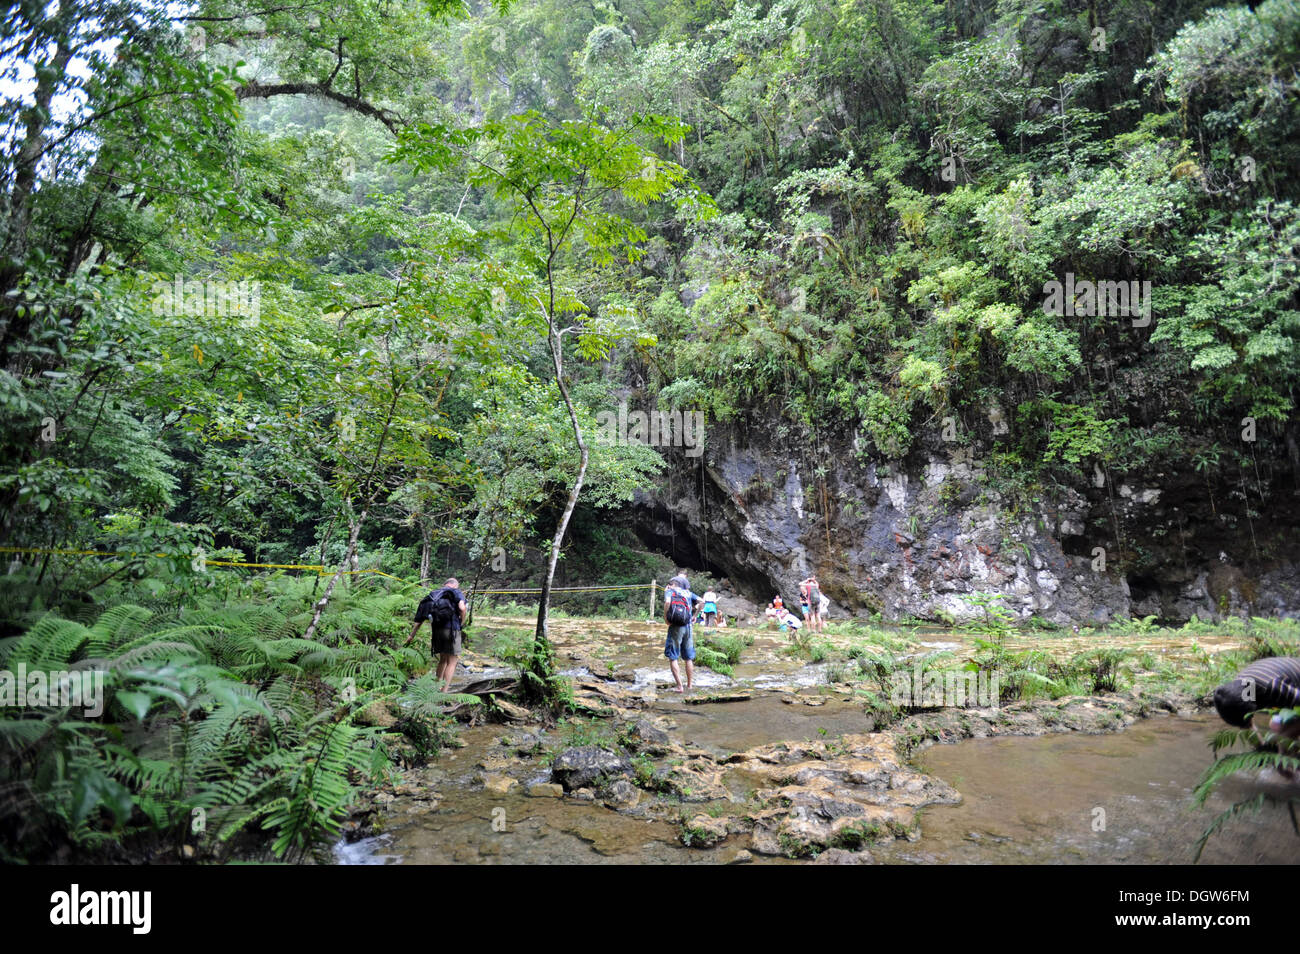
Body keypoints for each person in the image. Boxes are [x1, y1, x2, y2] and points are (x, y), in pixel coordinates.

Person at [404, 577, 468, 691]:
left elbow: (420, 618)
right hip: (452, 630)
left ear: (445, 584)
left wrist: (411, 636)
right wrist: (461, 624)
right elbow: (462, 608)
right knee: (452, 662)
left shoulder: (433, 595)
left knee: (443, 659)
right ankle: (443, 692)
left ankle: (435, 688)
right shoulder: (456, 592)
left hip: (437, 631)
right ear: (455, 585)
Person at [663, 572, 703, 693]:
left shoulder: (670, 591)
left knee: (673, 656)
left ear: (673, 584)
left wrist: (666, 617)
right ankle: (689, 685)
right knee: (688, 657)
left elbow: (668, 603)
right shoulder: (688, 593)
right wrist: (695, 615)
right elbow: (702, 601)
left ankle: (680, 686)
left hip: (676, 626)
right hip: (688, 626)